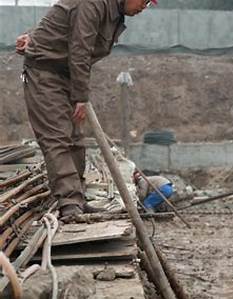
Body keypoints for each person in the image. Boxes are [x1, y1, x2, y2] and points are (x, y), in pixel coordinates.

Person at [15, 0, 156, 217]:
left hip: (67, 75)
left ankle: (77, 199)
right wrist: (81, 96)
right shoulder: (92, 3)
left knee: (75, 139)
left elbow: (63, 27)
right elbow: (80, 47)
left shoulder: (113, 10)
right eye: (144, 0)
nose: (145, 7)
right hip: (45, 75)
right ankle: (69, 204)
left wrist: (34, 38)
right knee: (57, 138)